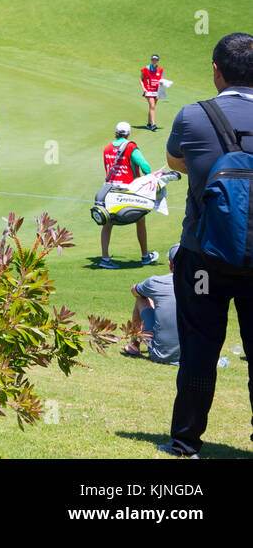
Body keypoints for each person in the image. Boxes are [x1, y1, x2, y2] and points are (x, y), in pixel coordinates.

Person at [160, 32, 253, 457]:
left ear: (217, 71)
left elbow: (175, 161)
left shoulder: (192, 116)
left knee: (199, 350)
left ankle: (185, 442)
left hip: (203, 259)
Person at [98, 122, 158, 269]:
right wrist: (149, 180)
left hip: (110, 190)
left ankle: (105, 259)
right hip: (128, 190)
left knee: (107, 223)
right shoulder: (130, 146)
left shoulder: (107, 148)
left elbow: (107, 167)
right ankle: (145, 256)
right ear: (129, 133)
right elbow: (145, 166)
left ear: (116, 132)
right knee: (140, 220)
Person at [124, 245, 181, 365]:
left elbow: (134, 291)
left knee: (141, 299)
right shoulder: (202, 284)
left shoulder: (156, 282)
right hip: (196, 356)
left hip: (161, 355)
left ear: (170, 265)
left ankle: (134, 345)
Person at [141, 53, 164, 131]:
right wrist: (143, 88)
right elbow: (141, 79)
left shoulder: (160, 69)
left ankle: (149, 123)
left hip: (156, 91)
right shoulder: (146, 68)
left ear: (158, 61)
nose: (154, 61)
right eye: (153, 60)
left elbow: (161, 79)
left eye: (156, 60)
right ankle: (153, 124)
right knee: (152, 106)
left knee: (152, 107)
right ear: (151, 60)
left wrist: (163, 83)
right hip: (148, 90)